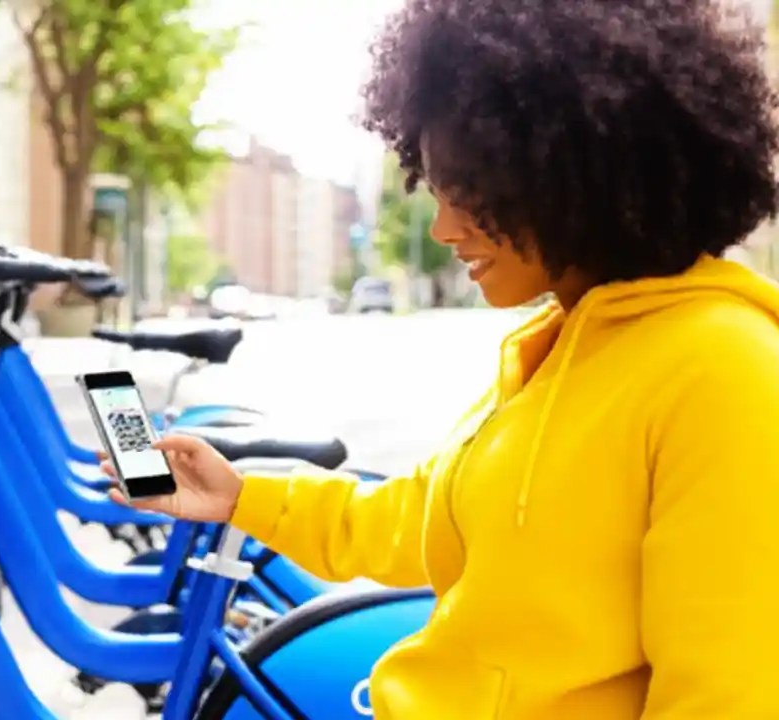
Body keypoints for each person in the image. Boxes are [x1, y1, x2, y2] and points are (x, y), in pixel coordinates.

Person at [104, 1, 779, 717]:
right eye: (436, 189)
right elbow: (425, 514)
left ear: (574, 167)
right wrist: (241, 498)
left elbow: (727, 695)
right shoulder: (564, 342)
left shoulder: (726, 370)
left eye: (468, 191)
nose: (444, 227)